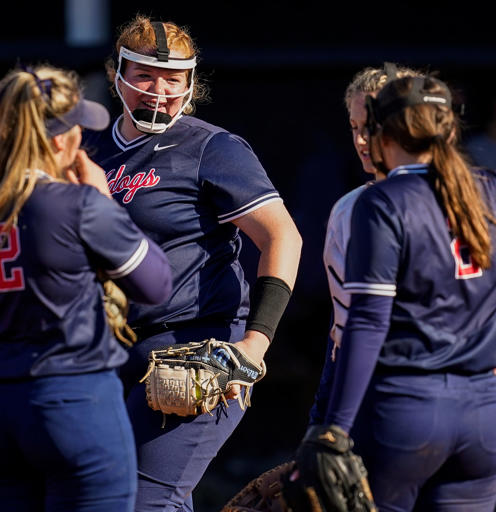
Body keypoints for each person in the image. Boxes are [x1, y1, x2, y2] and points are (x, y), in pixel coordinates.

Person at [83, 16, 302, 512]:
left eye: (173, 79)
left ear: (191, 83)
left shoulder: (210, 147)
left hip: (191, 352)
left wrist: (255, 342)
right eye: (143, 76)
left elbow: (283, 235)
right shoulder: (86, 148)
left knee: (147, 502)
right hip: (101, 353)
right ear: (117, 75)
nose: (158, 90)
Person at [0, 64, 172, 512]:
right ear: (62, 140)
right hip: (74, 403)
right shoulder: (79, 204)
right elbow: (156, 283)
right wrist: (103, 201)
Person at [309, 75, 496, 510]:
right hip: (484, 414)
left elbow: (367, 321)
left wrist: (331, 429)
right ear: (448, 130)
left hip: (405, 410)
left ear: (381, 131)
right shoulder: (488, 188)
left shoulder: (381, 200)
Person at [308, 64, 421, 426]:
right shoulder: (480, 191)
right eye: (354, 128)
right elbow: (342, 333)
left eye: (370, 126)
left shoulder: (359, 208)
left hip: (395, 397)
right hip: (467, 400)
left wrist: (330, 428)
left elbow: (360, 329)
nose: (360, 141)